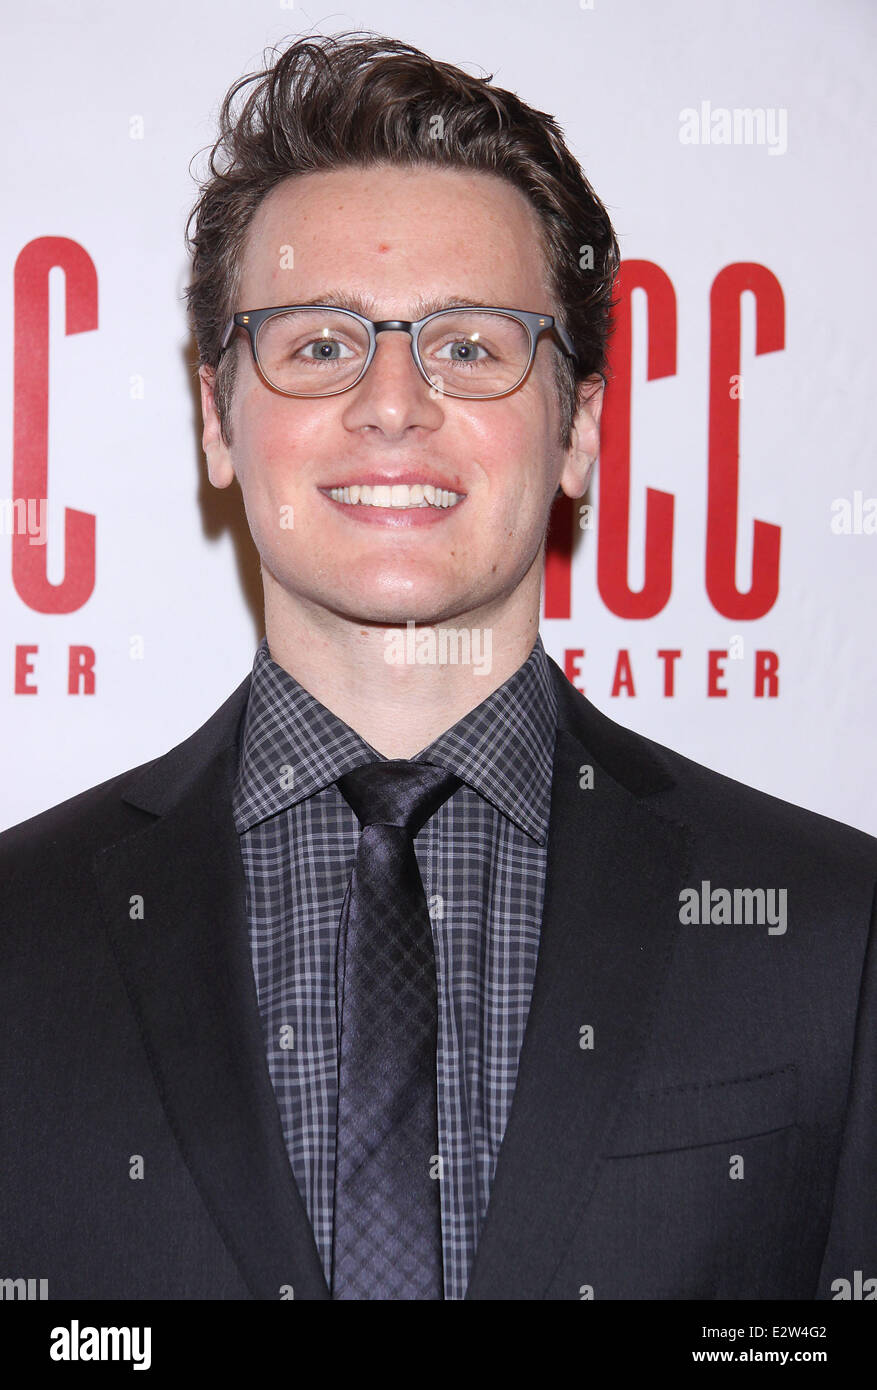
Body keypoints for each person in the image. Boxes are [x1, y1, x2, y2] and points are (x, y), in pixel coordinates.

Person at [1, 31, 874, 1302]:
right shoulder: (18, 938)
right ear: (215, 419)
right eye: (318, 343)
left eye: (468, 345)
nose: (393, 402)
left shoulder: (830, 931)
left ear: (577, 428)